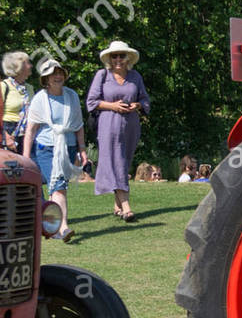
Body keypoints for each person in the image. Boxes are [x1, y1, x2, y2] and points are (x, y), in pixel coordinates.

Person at [22, 57, 87, 242]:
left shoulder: (71, 96)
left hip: (68, 148)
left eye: (59, 73)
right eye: (53, 74)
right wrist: (26, 157)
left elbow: (78, 125)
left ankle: (50, 227)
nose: (57, 76)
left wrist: (82, 150)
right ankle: (63, 227)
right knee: (59, 187)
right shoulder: (39, 99)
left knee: (55, 188)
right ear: (46, 79)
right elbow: (31, 130)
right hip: (46, 148)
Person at [87, 39, 150, 222]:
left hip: (130, 125)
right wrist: (112, 106)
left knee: (124, 162)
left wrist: (137, 105)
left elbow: (145, 100)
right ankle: (127, 207)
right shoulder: (102, 75)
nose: (118, 59)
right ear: (109, 58)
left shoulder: (135, 77)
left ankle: (117, 205)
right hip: (109, 124)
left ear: (127, 57)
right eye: (114, 56)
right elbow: (91, 102)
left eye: (121, 55)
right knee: (116, 163)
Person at [1, 51, 32, 151]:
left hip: (26, 132)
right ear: (19, 66)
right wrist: (6, 137)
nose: (31, 66)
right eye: (28, 63)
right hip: (8, 130)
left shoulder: (30, 88)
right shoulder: (4, 86)